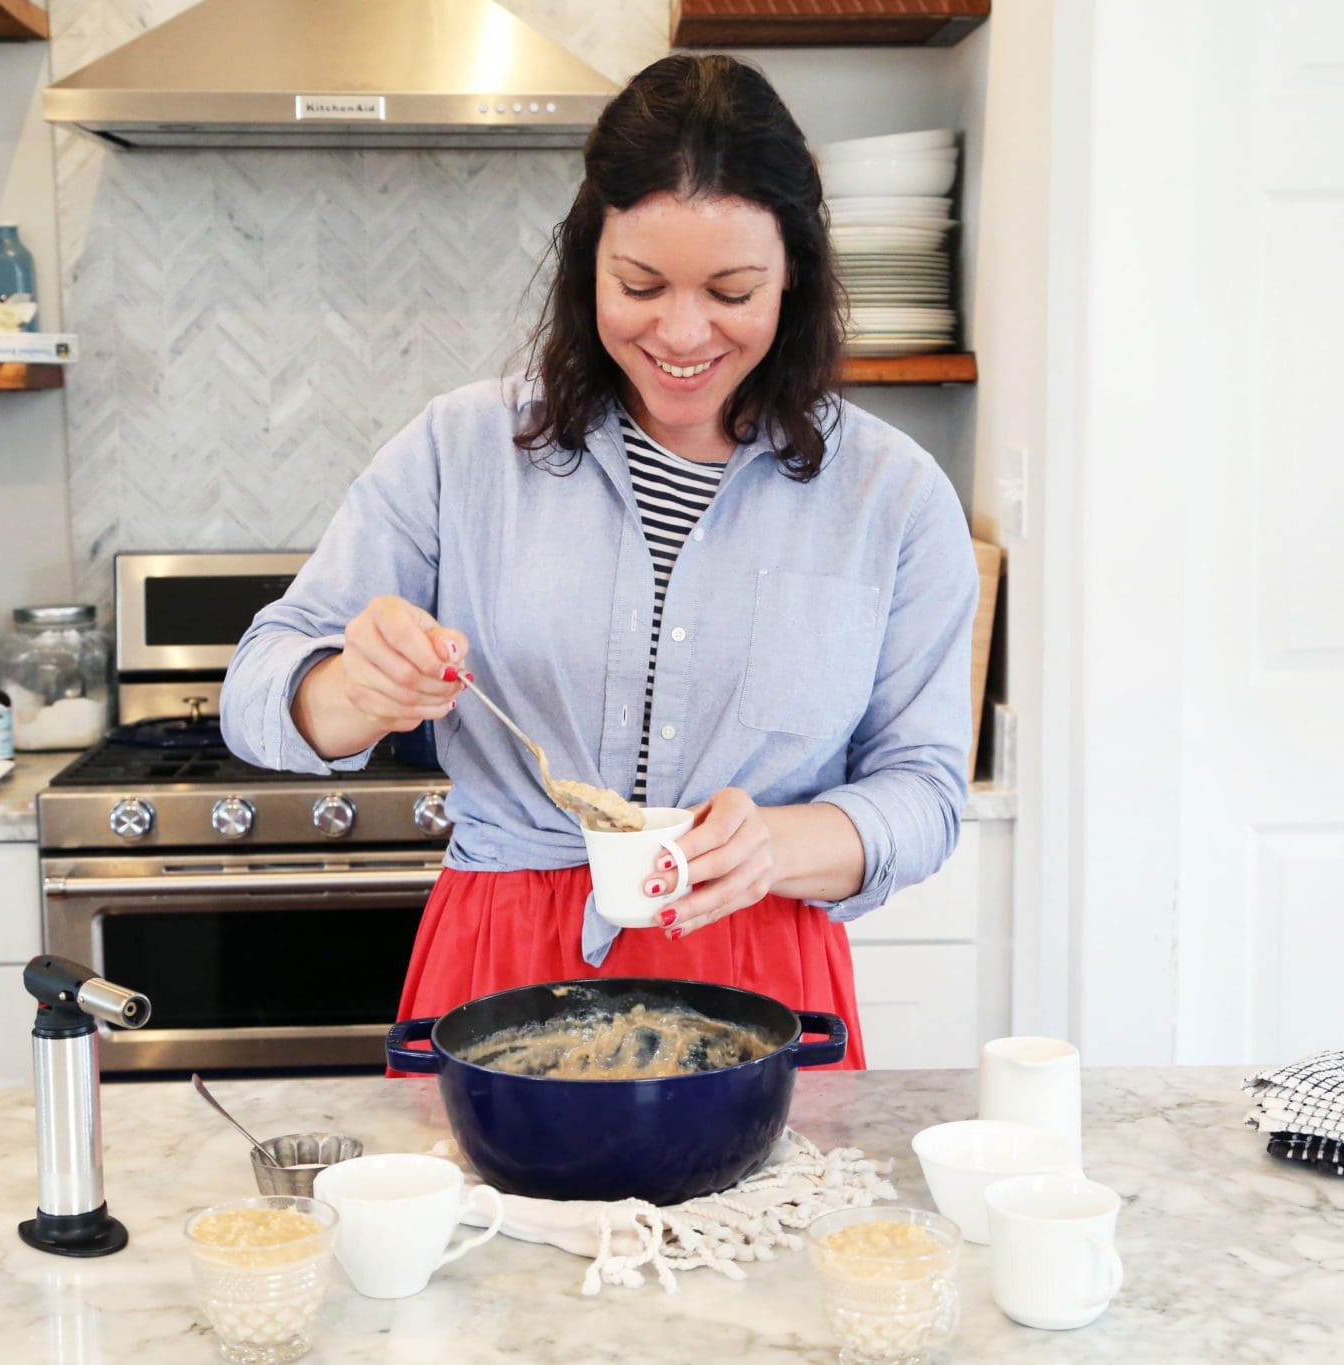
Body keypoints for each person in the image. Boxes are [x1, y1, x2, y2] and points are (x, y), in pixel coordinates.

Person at [222, 54, 977, 1069]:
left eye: (729, 290)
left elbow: (924, 790)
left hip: (762, 979)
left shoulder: (891, 495)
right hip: (499, 968)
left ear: (792, 272)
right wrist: (355, 687)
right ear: (588, 266)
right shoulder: (464, 449)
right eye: (640, 284)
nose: (679, 331)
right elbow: (259, 687)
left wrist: (779, 847)